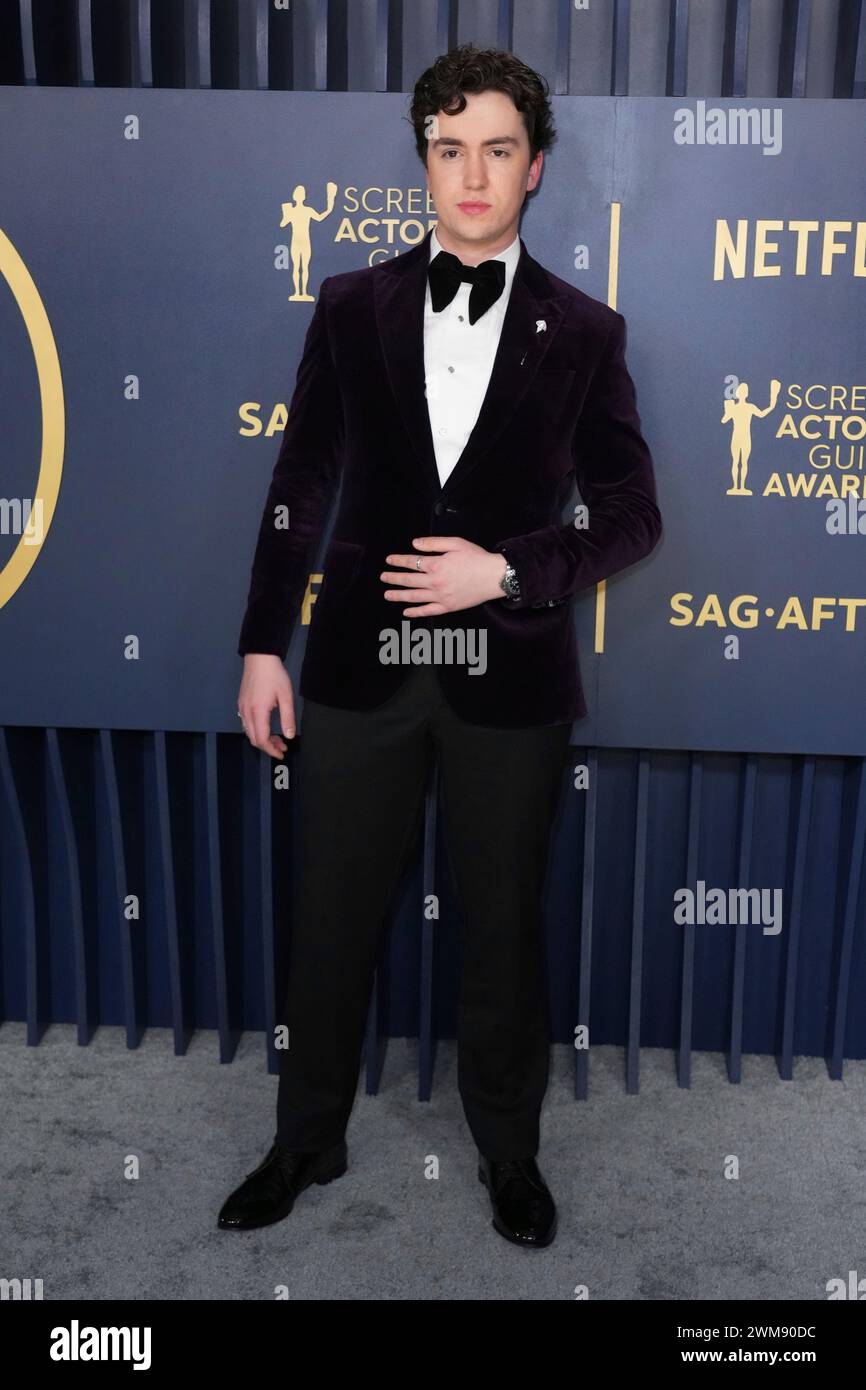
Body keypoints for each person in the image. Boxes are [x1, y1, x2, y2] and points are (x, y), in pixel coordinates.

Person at [218, 43, 662, 1248]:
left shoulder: (585, 330)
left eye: (498, 149)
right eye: (449, 148)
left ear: (533, 170)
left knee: (503, 925)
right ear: (424, 160)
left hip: (511, 682)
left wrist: (508, 569)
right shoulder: (351, 304)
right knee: (329, 914)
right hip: (355, 671)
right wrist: (265, 645)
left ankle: (507, 1153)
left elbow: (632, 514)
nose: (472, 174)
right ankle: (305, 1137)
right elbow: (299, 479)